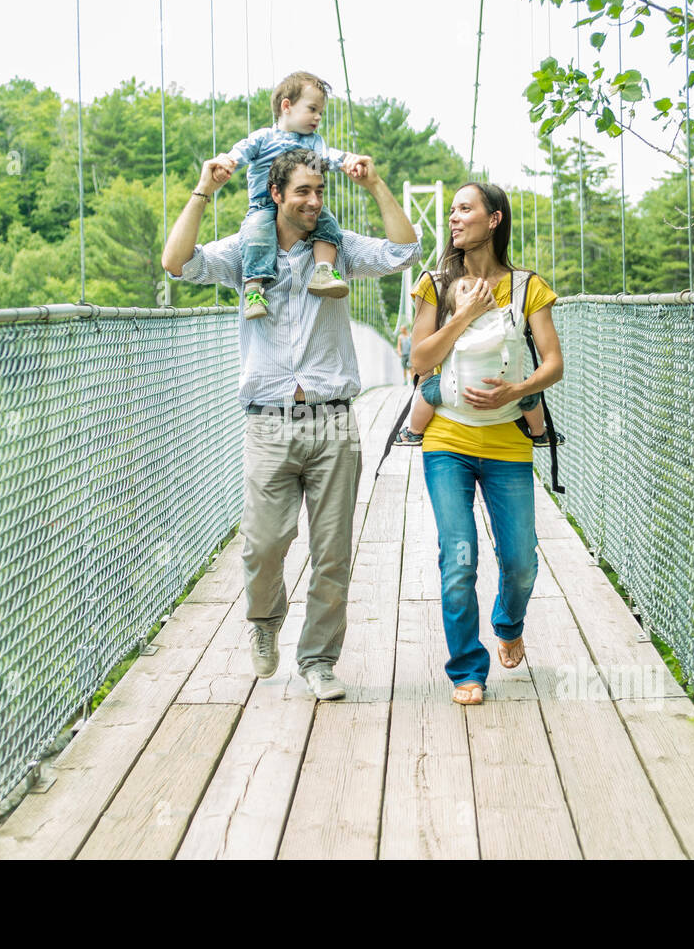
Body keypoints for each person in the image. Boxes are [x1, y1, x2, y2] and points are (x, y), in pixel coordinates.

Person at [162, 147, 421, 700]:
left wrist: (375, 185)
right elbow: (177, 264)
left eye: (320, 192)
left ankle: (319, 660)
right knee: (263, 543)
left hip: (332, 421)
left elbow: (403, 250)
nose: (313, 202)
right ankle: (264, 623)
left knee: (332, 553)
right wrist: (202, 190)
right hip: (267, 422)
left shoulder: (339, 250)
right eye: (302, 191)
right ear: (275, 194)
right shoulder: (246, 251)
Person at [408, 181, 564, 706]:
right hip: (447, 439)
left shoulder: (527, 287)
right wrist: (465, 315)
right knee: (459, 558)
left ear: (494, 219)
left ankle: (509, 620)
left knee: (520, 561)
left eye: (465, 209)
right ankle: (467, 670)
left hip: (507, 444)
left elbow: (553, 363)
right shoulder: (434, 283)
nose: (454, 218)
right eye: (450, 209)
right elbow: (419, 361)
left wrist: (520, 389)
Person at [206, 71, 369, 320]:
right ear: (287, 106)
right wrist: (228, 162)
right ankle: (253, 291)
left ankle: (323, 270)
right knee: (255, 235)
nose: (318, 117)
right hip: (264, 206)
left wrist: (347, 162)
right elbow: (241, 152)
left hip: (302, 209)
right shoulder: (263, 138)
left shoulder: (314, 144)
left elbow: (325, 161)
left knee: (328, 224)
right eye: (312, 109)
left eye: (321, 113)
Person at [393, 274, 555, 446]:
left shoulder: (453, 323)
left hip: (459, 390)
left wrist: (457, 317)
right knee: (528, 392)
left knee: (428, 390)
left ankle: (414, 431)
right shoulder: (505, 316)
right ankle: (539, 433)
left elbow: (421, 365)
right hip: (501, 387)